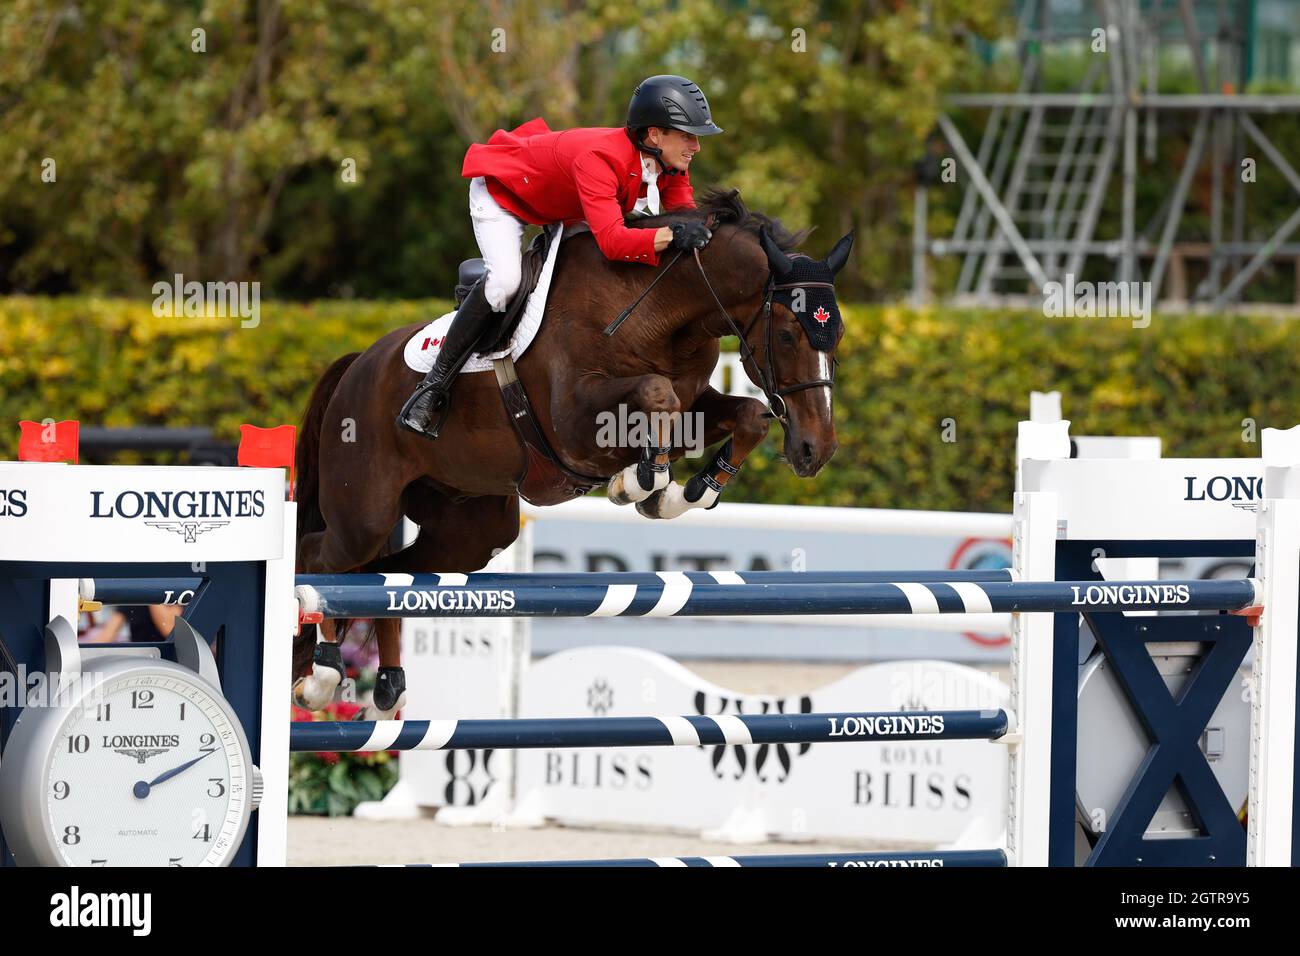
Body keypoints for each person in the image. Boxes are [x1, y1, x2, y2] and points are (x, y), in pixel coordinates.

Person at [397, 74, 723, 439]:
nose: (696, 145)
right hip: (504, 197)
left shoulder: (671, 161)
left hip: (566, 205)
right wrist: (672, 234)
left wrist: (716, 231)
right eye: (687, 135)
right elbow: (615, 241)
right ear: (653, 135)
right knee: (506, 282)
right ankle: (432, 387)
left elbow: (686, 219)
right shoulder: (600, 158)